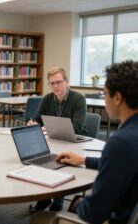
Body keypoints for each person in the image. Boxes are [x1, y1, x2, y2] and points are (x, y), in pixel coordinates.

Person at [30, 60, 138, 224]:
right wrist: (84, 160)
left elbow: (93, 213)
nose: (104, 99)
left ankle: (54, 204)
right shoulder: (130, 136)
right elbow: (120, 164)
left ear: (117, 98)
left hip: (117, 218)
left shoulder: (120, 143)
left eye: (104, 94)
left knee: (39, 220)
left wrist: (77, 203)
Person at [27, 66, 88, 213]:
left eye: (58, 82)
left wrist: (47, 127)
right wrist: (33, 123)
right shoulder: (48, 98)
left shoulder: (78, 98)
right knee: (39, 157)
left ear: (66, 81)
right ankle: (45, 197)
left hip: (75, 141)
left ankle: (57, 203)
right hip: (54, 138)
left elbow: (77, 127)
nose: (55, 86)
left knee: (60, 160)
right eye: (52, 83)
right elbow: (37, 118)